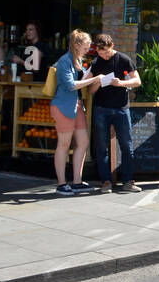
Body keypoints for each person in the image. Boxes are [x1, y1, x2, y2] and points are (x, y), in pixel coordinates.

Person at [49, 30, 105, 195]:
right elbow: (70, 85)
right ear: (77, 45)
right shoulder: (64, 61)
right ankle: (61, 183)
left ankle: (77, 181)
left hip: (76, 105)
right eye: (87, 45)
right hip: (63, 106)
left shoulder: (78, 59)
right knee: (64, 144)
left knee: (83, 142)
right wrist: (93, 79)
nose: (89, 48)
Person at [87, 34, 142, 193]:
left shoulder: (124, 59)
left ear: (112, 46)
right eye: (99, 52)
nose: (102, 55)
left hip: (121, 108)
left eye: (105, 52)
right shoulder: (96, 62)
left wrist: (121, 83)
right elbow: (89, 91)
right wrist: (97, 81)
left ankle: (128, 181)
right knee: (102, 146)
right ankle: (105, 181)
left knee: (127, 145)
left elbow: (137, 81)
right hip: (101, 108)